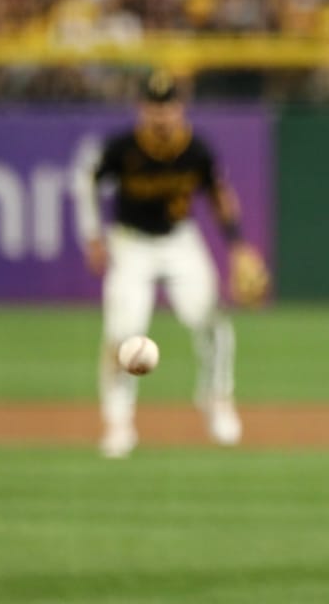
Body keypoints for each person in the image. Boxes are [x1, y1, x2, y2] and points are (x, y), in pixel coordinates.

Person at [73, 72, 268, 458]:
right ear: (142, 109)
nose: (162, 115)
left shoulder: (195, 149)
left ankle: (216, 402)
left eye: (168, 106)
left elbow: (219, 195)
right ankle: (118, 422)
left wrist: (237, 246)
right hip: (130, 245)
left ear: (180, 108)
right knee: (121, 333)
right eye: (154, 106)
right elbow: (87, 181)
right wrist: (92, 235)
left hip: (180, 242)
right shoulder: (123, 148)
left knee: (213, 321)